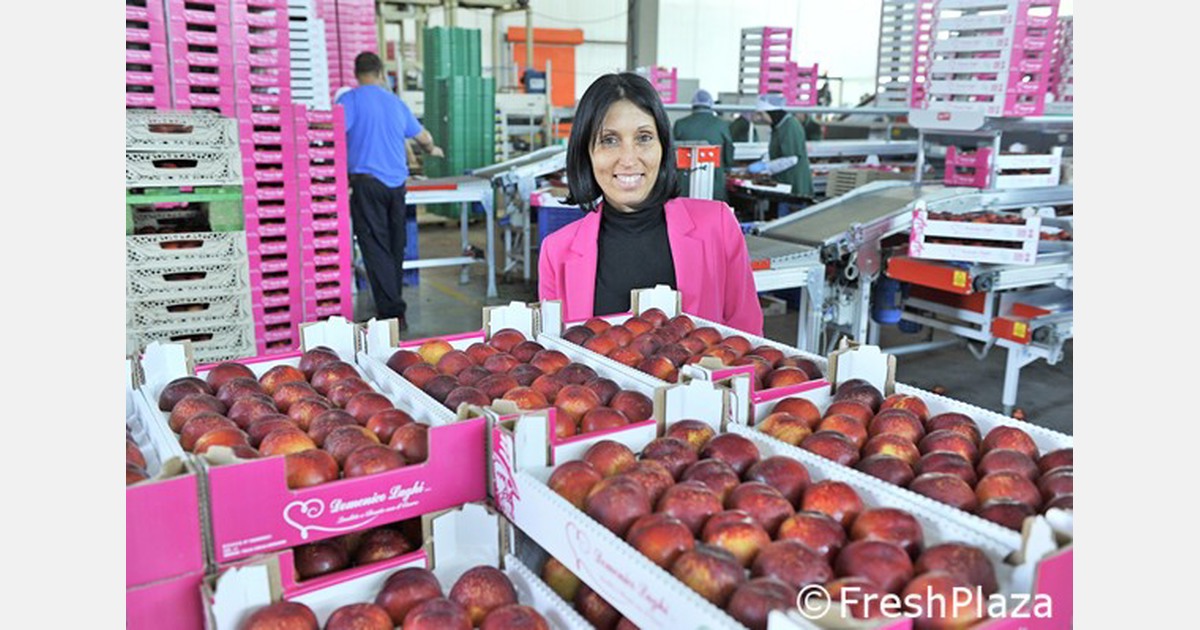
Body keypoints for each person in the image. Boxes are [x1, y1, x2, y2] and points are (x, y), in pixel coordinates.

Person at [538, 73, 764, 335]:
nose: (629, 159)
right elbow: (556, 358)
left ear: (663, 146)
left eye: (643, 137)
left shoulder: (717, 225)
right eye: (609, 140)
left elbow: (748, 342)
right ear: (586, 152)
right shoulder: (557, 253)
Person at [337, 52, 443, 330]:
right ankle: (390, 305)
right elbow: (424, 137)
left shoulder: (350, 100)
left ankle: (393, 313)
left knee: (375, 247)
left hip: (367, 184)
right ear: (381, 72)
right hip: (397, 187)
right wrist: (432, 149)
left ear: (356, 73)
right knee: (395, 247)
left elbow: (332, 129)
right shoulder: (396, 103)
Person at [671, 89, 735, 201]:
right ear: (711, 105)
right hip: (714, 176)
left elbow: (671, 151)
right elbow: (729, 149)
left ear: (693, 106)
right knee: (712, 210)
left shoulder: (680, 124)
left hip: (686, 176)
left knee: (686, 209)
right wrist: (728, 167)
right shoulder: (721, 124)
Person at [753, 93, 814, 199]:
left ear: (771, 113)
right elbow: (778, 149)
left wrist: (766, 167)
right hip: (784, 181)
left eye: (762, 114)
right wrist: (764, 161)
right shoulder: (779, 127)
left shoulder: (790, 126)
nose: (760, 118)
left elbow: (791, 159)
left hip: (794, 183)